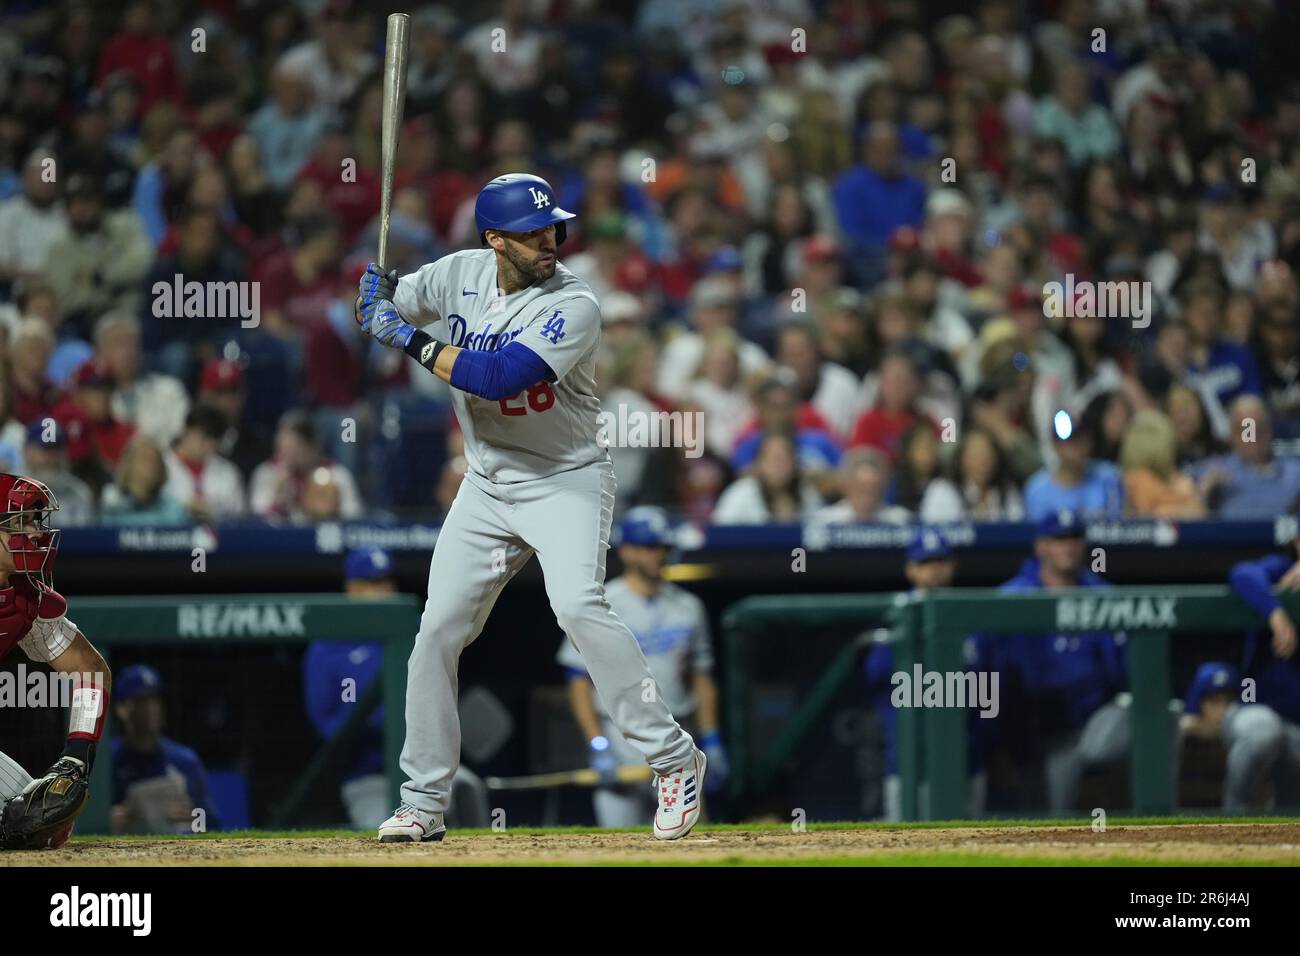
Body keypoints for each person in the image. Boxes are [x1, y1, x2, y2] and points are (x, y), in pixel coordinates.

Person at [354, 173, 706, 842]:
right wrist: (372, 296)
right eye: (532, 232)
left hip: (565, 479)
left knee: (577, 605)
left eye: (553, 227)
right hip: (487, 484)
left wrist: (403, 337)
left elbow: (498, 377)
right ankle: (425, 800)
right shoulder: (457, 274)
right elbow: (385, 299)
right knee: (435, 633)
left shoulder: (576, 304)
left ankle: (672, 757)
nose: (550, 240)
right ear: (495, 240)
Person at [986, 510, 1169, 813]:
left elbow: (1126, 672)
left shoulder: (1104, 595)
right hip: (1025, 729)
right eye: (1059, 540)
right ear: (1040, 546)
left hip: (1085, 725)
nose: (1068, 547)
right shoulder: (1012, 596)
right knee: (1033, 817)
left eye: (1074, 539)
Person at [556, 508, 726, 827]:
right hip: (621, 740)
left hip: (677, 733)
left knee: (691, 844)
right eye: (649, 547)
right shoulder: (601, 604)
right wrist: (598, 745)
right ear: (627, 551)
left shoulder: (689, 607)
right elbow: (579, 680)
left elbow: (702, 677)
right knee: (621, 847)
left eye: (662, 547)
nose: (658, 555)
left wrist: (712, 737)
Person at [303, 547, 489, 830]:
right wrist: (385, 723)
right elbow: (328, 727)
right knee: (383, 828)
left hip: (429, 771)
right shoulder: (329, 646)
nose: (385, 591)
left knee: (468, 788)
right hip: (370, 776)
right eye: (374, 584)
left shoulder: (412, 633)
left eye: (387, 582)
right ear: (353, 588)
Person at [0, 473, 111, 850]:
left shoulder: (22, 601)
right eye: (21, 522)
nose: (35, 532)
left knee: (42, 823)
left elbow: (89, 671)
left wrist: (75, 759)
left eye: (35, 520)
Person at [865, 527, 986, 819]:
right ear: (910, 570)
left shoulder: (972, 616)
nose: (933, 571)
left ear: (952, 566)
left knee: (973, 850)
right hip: (910, 761)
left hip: (966, 759)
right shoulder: (897, 616)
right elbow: (878, 681)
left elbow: (987, 692)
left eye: (939, 562)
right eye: (924, 563)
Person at [109, 664, 219, 835]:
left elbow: (213, 824)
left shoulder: (184, 760)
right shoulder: (107, 762)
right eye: (141, 701)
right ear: (122, 709)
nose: (151, 709)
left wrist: (193, 819)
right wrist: (107, 821)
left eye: (155, 700)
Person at [1179, 662, 1300, 812]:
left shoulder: (1246, 716)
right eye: (1214, 701)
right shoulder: (1187, 720)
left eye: (1228, 700)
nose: (1223, 709)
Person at [1188, 396, 1300, 519]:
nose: (1253, 436)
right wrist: (1203, 492)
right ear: (1232, 434)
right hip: (1233, 537)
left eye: (1259, 427)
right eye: (1246, 429)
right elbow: (1185, 518)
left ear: (1270, 429)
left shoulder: (1295, 472)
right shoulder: (1214, 468)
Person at [1022, 407, 1124, 520]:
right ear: (1055, 444)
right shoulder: (1037, 490)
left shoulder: (1109, 478)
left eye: (1082, 438)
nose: (1077, 447)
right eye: (1070, 441)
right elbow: (1037, 535)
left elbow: (1121, 526)